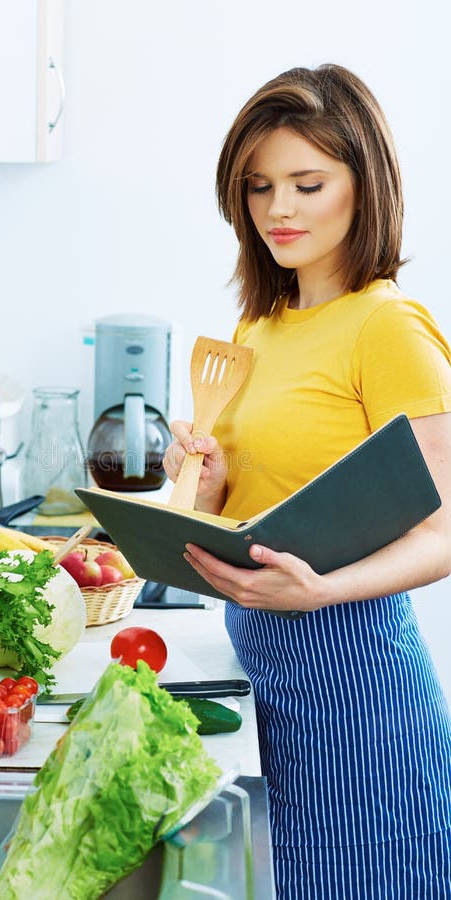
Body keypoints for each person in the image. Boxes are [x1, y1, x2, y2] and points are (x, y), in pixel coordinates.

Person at [164, 63, 451, 900]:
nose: (278, 210)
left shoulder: (386, 327)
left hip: (358, 680)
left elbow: (443, 531)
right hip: (266, 661)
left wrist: (321, 592)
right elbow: (254, 504)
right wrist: (206, 485)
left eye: (306, 183)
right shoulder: (259, 321)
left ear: (365, 185)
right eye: (259, 187)